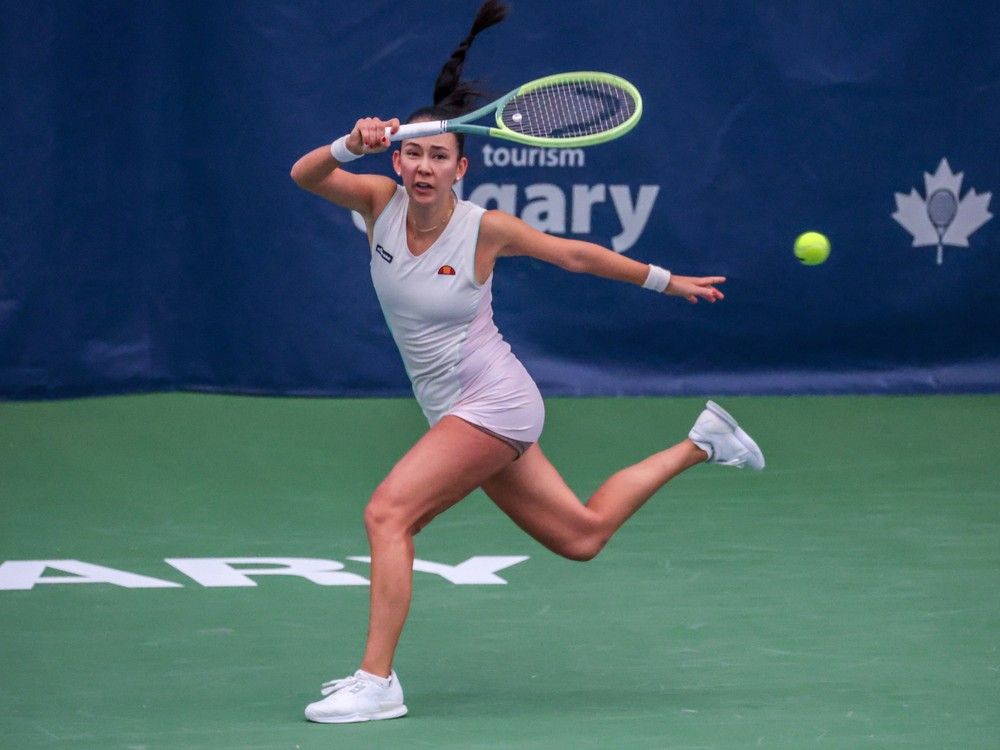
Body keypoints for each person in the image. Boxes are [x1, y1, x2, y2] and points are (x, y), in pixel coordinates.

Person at [290, 0, 764, 724]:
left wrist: (669, 281)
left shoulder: (485, 229)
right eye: (414, 154)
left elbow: (577, 255)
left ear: (460, 168)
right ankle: (704, 441)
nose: (424, 167)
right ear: (397, 158)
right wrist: (347, 144)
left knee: (388, 513)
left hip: (494, 402)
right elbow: (306, 174)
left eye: (439, 157)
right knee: (581, 536)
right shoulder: (377, 201)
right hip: (454, 410)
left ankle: (377, 681)